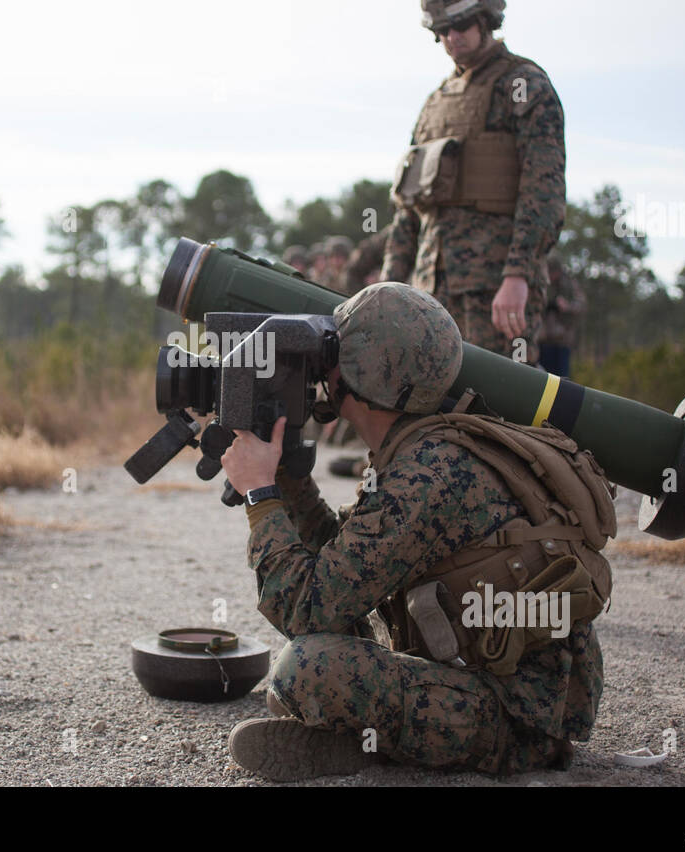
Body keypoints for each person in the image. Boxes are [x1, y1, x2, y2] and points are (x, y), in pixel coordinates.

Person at [219, 283, 613, 781]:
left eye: (333, 353)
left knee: (308, 667)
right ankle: (370, 741)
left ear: (360, 377)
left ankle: (383, 747)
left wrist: (259, 495)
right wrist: (290, 480)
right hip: (521, 688)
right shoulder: (428, 446)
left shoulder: (427, 475)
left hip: (523, 720)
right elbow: (346, 567)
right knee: (320, 655)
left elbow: (306, 608)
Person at [381, 0, 566, 367]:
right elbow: (408, 211)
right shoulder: (436, 103)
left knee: (500, 409)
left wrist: (517, 275)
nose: (451, 38)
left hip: (495, 289)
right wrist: (388, 289)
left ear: (486, 17)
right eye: (441, 31)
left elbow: (544, 192)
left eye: (460, 26)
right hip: (429, 292)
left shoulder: (523, 86)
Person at [540, 253, 587, 377]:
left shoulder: (570, 284)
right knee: (541, 379)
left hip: (562, 341)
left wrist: (567, 307)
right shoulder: (540, 281)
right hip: (542, 340)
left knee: (561, 382)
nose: (551, 276)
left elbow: (581, 305)